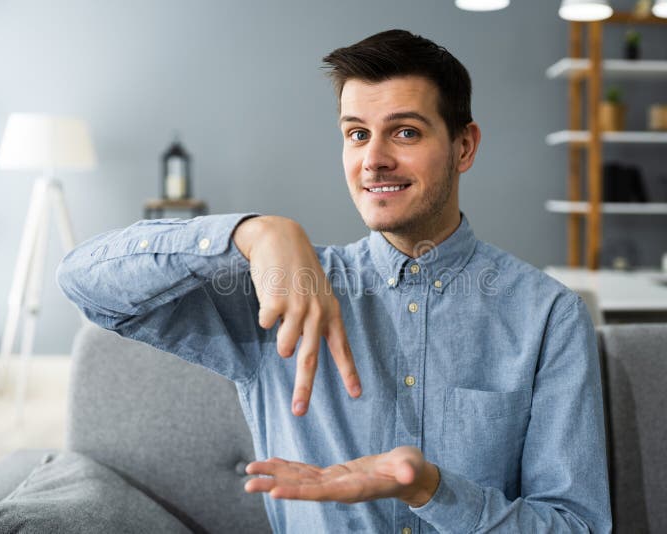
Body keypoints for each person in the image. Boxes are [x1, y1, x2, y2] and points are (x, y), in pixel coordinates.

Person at [57, 29, 611, 533]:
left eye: (405, 132)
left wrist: (432, 491)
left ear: (463, 146)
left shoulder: (547, 315)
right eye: (357, 134)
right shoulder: (279, 292)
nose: (374, 160)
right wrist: (250, 233)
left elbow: (577, 526)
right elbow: (84, 281)